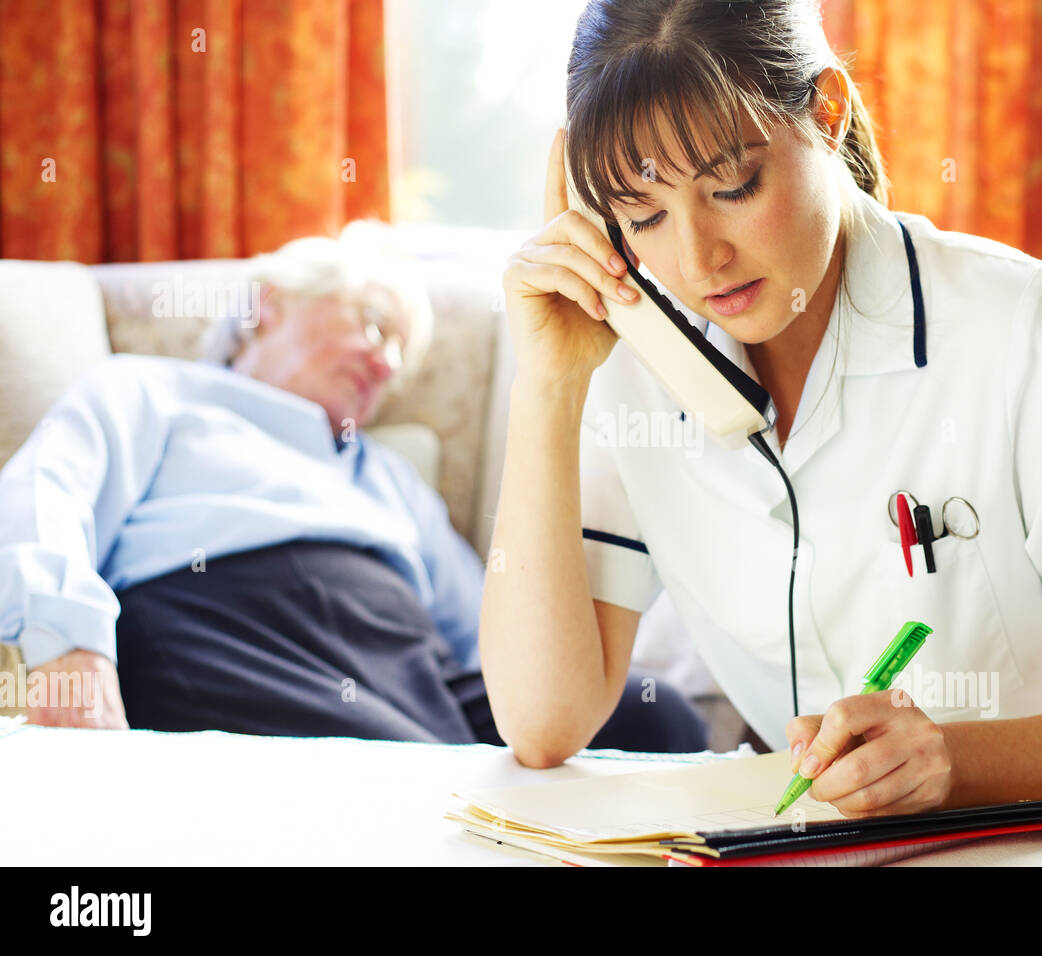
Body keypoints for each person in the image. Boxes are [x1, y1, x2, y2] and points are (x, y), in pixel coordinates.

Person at [481, 0, 1042, 814]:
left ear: (828, 111)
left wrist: (951, 763)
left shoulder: (1016, 326)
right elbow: (542, 723)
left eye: (733, 186)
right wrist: (548, 384)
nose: (700, 260)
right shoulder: (632, 361)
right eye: (646, 216)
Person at [0, 231, 708, 752]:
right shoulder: (151, 390)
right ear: (268, 305)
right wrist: (65, 641)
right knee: (413, 786)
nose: (387, 362)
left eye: (400, 356)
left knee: (661, 722)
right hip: (229, 636)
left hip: (412, 671)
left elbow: (489, 632)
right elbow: (42, 496)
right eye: (374, 325)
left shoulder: (386, 477)